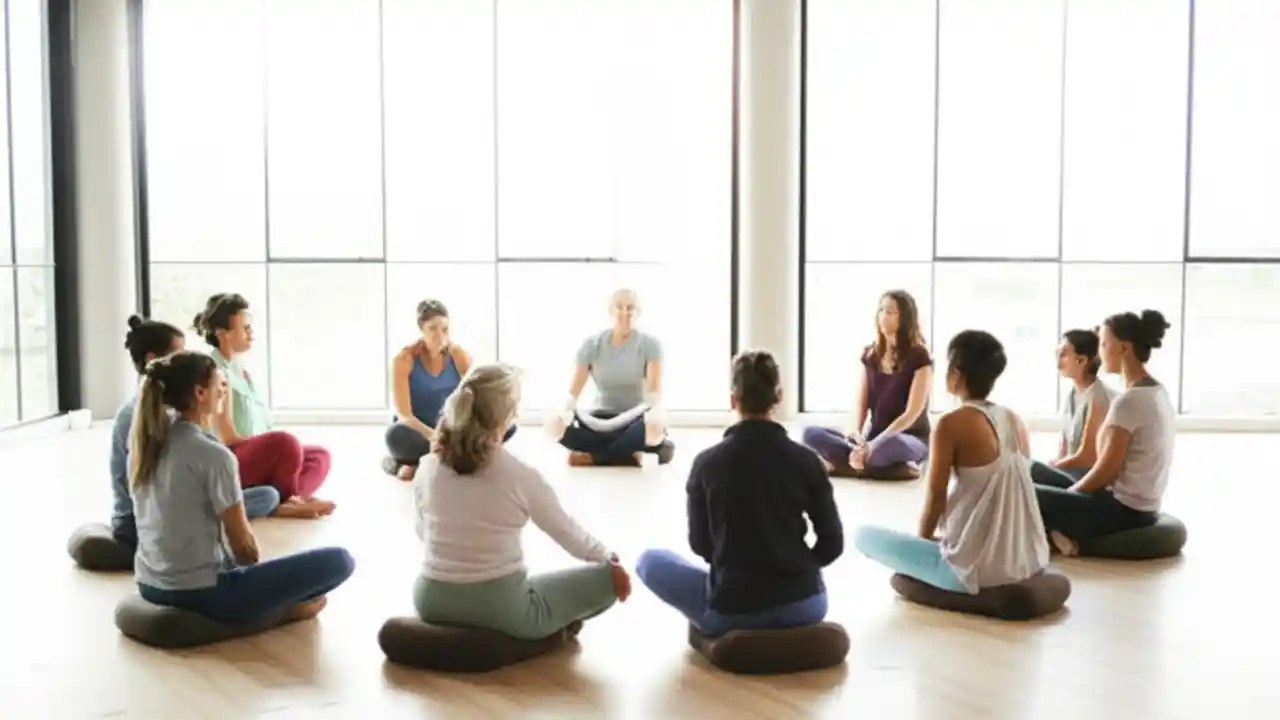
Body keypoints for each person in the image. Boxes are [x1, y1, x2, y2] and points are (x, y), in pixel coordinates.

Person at [130, 350, 355, 626]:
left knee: (266, 497)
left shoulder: (147, 446)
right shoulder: (213, 454)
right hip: (201, 593)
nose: (223, 391)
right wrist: (262, 589)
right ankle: (274, 615)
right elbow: (244, 548)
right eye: (218, 385)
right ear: (200, 393)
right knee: (341, 560)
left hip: (149, 584)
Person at [412, 364, 631, 640]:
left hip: (431, 601)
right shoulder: (519, 474)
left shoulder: (427, 467)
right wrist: (609, 559)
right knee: (608, 582)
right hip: (502, 608)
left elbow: (423, 532)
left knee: (530, 589)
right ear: (507, 417)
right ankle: (537, 637)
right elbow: (568, 533)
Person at [636, 350, 842, 636]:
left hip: (734, 610)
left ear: (734, 399)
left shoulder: (706, 464)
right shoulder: (807, 460)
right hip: (805, 606)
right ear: (778, 396)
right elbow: (833, 544)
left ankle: (721, 633)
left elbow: (700, 544)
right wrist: (795, 567)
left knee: (649, 561)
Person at [854, 330, 1049, 594]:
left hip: (972, 571)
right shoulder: (1015, 420)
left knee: (863, 536)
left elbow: (936, 499)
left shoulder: (951, 423)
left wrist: (922, 545)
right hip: (1028, 559)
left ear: (957, 373)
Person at [111, 316, 281, 551]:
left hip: (153, 512)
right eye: (178, 353)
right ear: (153, 359)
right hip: (140, 521)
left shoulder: (160, 410)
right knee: (264, 497)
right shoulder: (148, 414)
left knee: (265, 495)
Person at [1035, 310, 1174, 556]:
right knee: (1032, 470)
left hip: (1123, 511)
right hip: (1140, 506)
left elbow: (1105, 471)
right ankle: (1055, 532)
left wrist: (1068, 496)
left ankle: (1052, 534)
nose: (1099, 352)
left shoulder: (1129, 402)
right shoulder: (1157, 392)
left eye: (1103, 343)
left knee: (1028, 492)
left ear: (1123, 348)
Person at [194, 293, 334, 517]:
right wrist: (270, 449)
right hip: (231, 456)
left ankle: (288, 501)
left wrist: (271, 450)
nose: (251, 333)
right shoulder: (215, 371)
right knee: (286, 443)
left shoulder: (242, 370)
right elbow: (227, 437)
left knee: (319, 455)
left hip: (255, 453)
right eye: (245, 328)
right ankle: (289, 501)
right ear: (223, 333)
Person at [802, 290, 932, 479]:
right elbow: (861, 404)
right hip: (872, 439)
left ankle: (848, 467)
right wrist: (857, 435)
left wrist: (874, 444)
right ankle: (885, 470)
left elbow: (911, 414)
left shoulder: (919, 357)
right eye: (881, 310)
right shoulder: (871, 355)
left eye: (890, 312)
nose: (883, 316)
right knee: (810, 433)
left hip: (906, 438)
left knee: (885, 447)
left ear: (904, 318)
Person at [383, 299, 514, 480]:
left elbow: (478, 395)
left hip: (451, 426)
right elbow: (405, 415)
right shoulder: (404, 360)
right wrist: (435, 436)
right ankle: (417, 460)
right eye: (432, 329)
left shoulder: (458, 356)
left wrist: (457, 432)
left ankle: (435, 458)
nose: (440, 335)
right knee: (396, 436)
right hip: (419, 429)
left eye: (444, 329)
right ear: (421, 330)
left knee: (506, 424)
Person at [547, 288, 674, 466]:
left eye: (630, 308)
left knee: (654, 430)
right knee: (554, 425)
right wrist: (564, 412)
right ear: (610, 311)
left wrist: (656, 415)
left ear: (637, 312)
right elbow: (574, 392)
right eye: (619, 307)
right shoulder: (592, 345)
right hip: (600, 419)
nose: (625, 312)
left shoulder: (650, 345)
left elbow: (654, 393)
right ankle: (628, 455)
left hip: (635, 420)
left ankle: (594, 457)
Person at [1031, 329, 1114, 488]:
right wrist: (1055, 465)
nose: (1057, 360)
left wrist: (1053, 468)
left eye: (1063, 354)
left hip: (1087, 480)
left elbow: (1088, 456)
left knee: (1030, 471)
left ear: (1082, 360)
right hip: (1071, 474)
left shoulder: (1099, 397)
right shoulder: (1071, 395)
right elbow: (1064, 449)